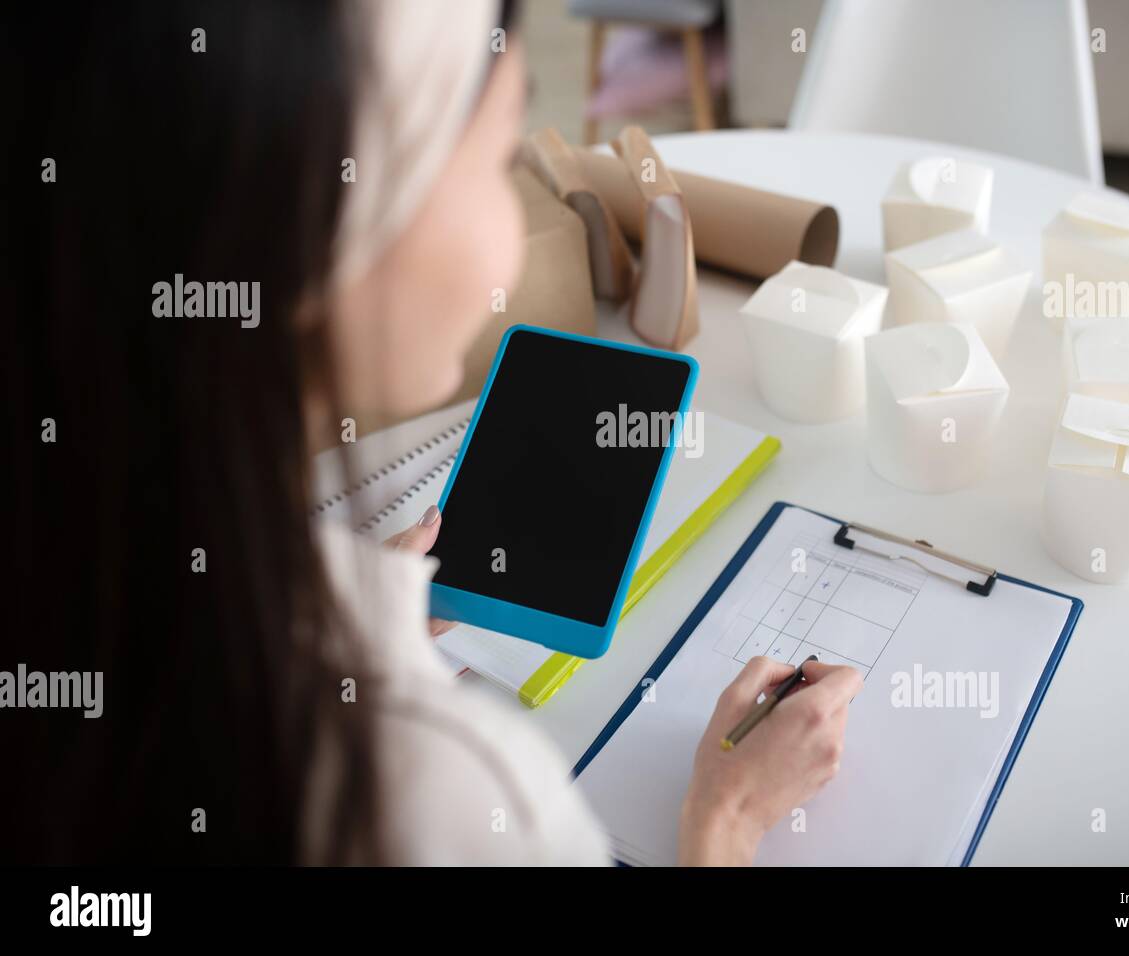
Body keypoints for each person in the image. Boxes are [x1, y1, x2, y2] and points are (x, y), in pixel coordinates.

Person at [5, 0, 860, 865]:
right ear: (325, 240)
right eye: (494, 161)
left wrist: (348, 627)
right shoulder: (452, 797)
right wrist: (726, 818)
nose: (515, 234)